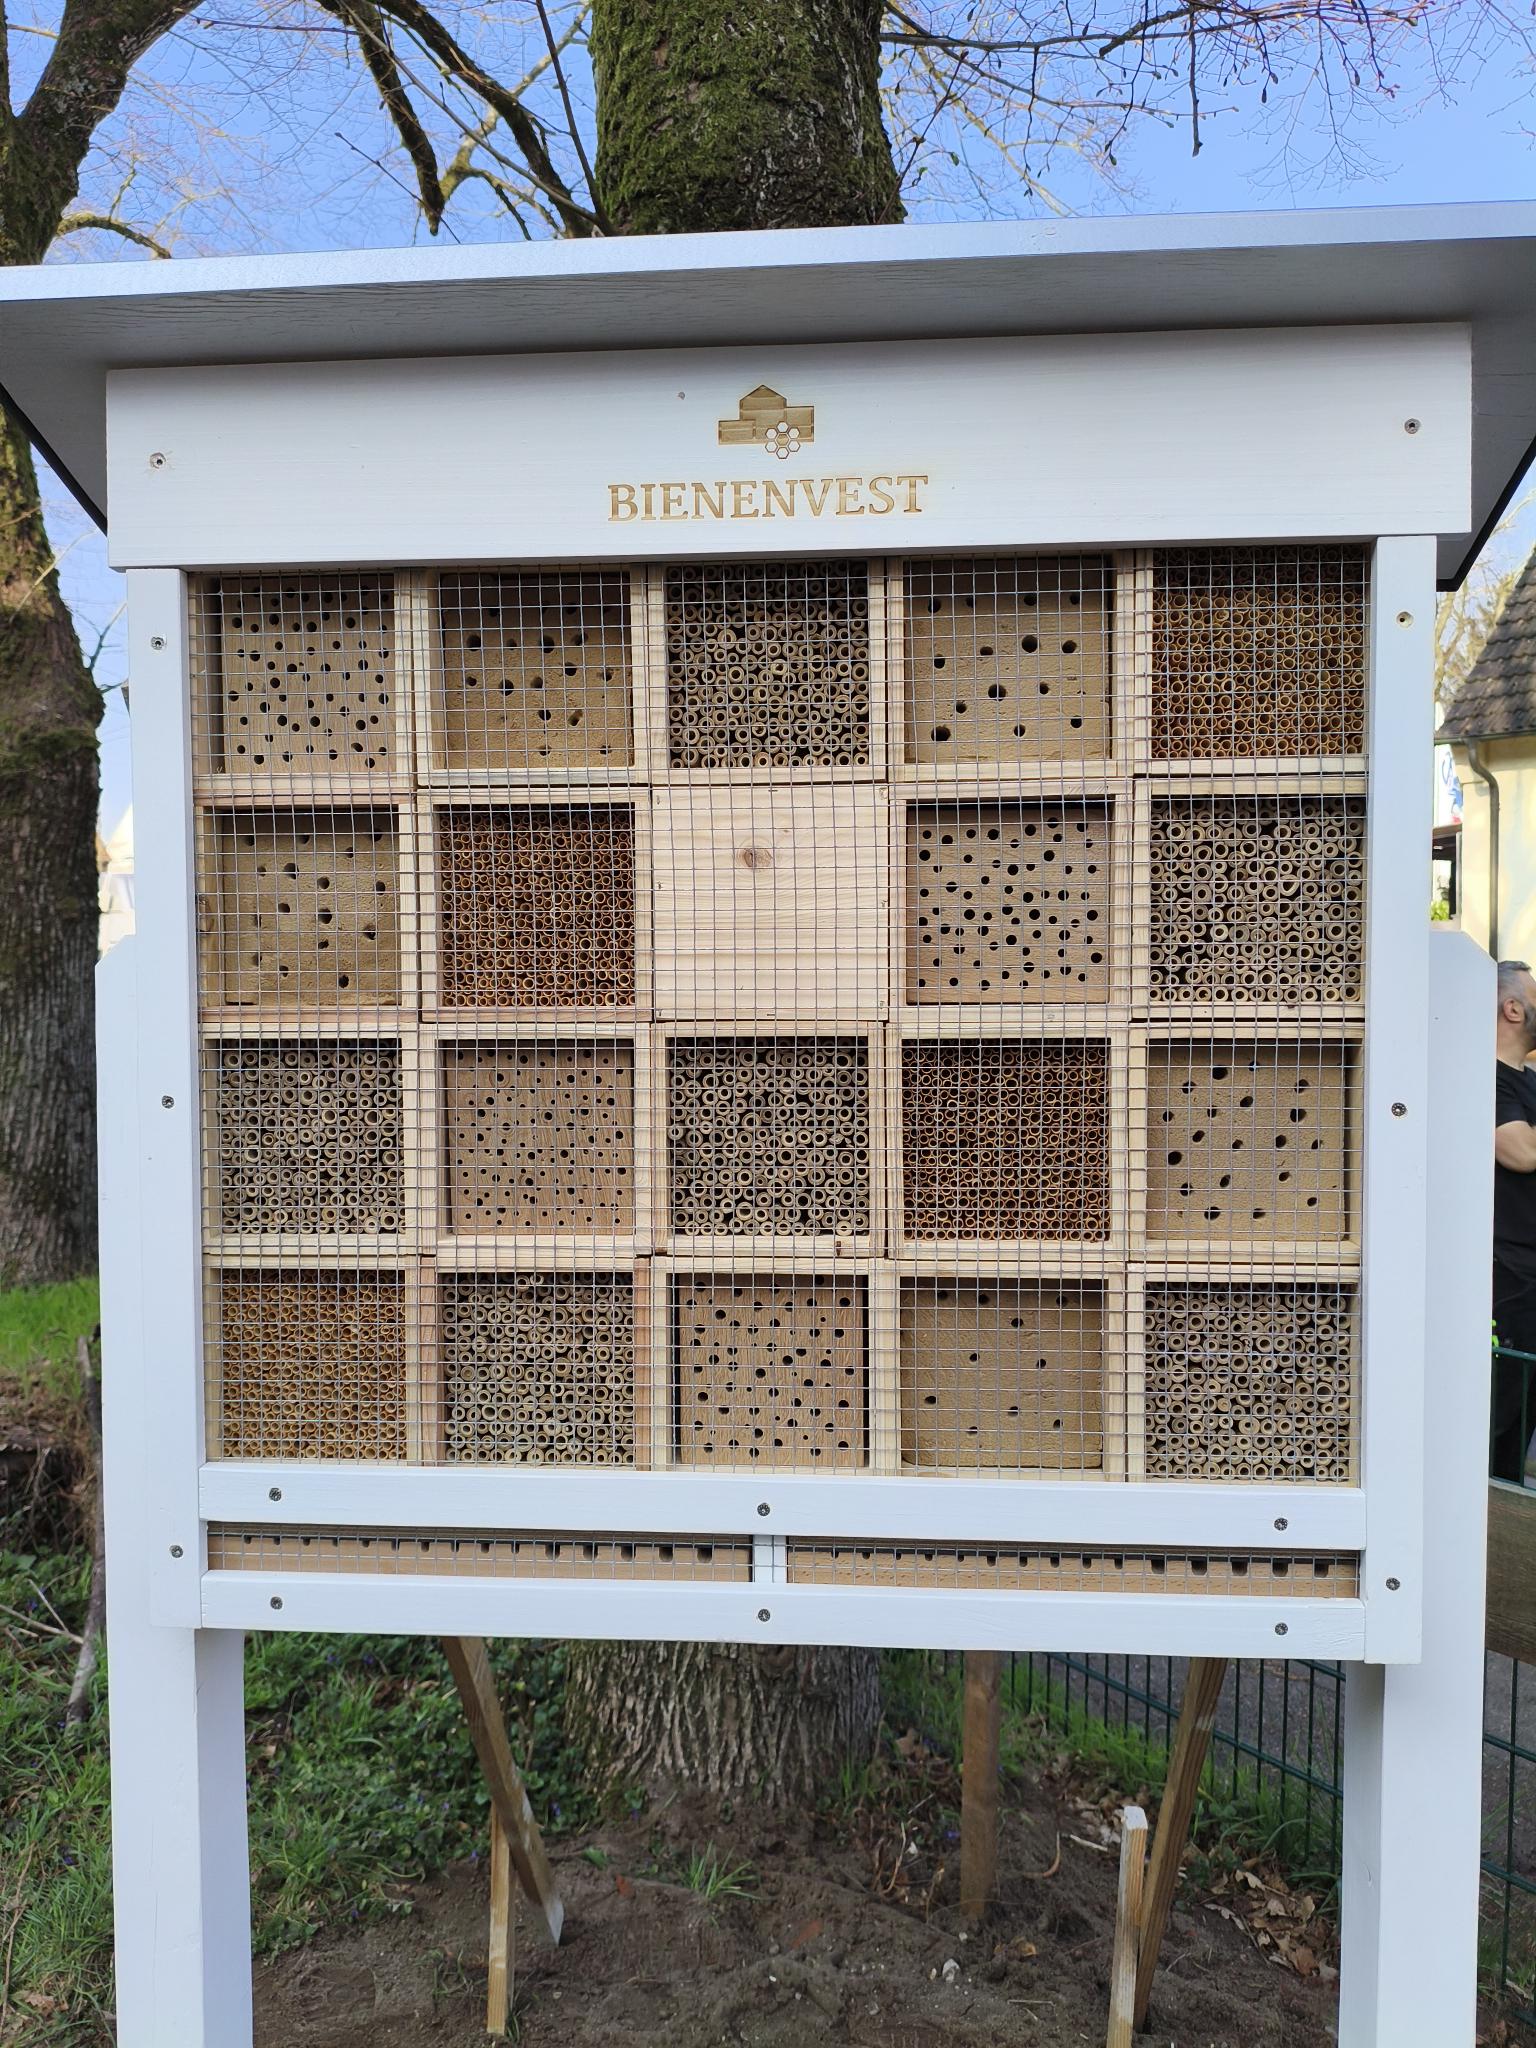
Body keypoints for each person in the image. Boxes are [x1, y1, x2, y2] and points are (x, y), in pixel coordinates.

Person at [1492, 958, 1536, 1481]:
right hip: (1513, 1278)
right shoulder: (1485, 1077)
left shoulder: (1528, 1081)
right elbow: (1520, 1150)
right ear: (1512, 1007)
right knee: (1505, 1418)